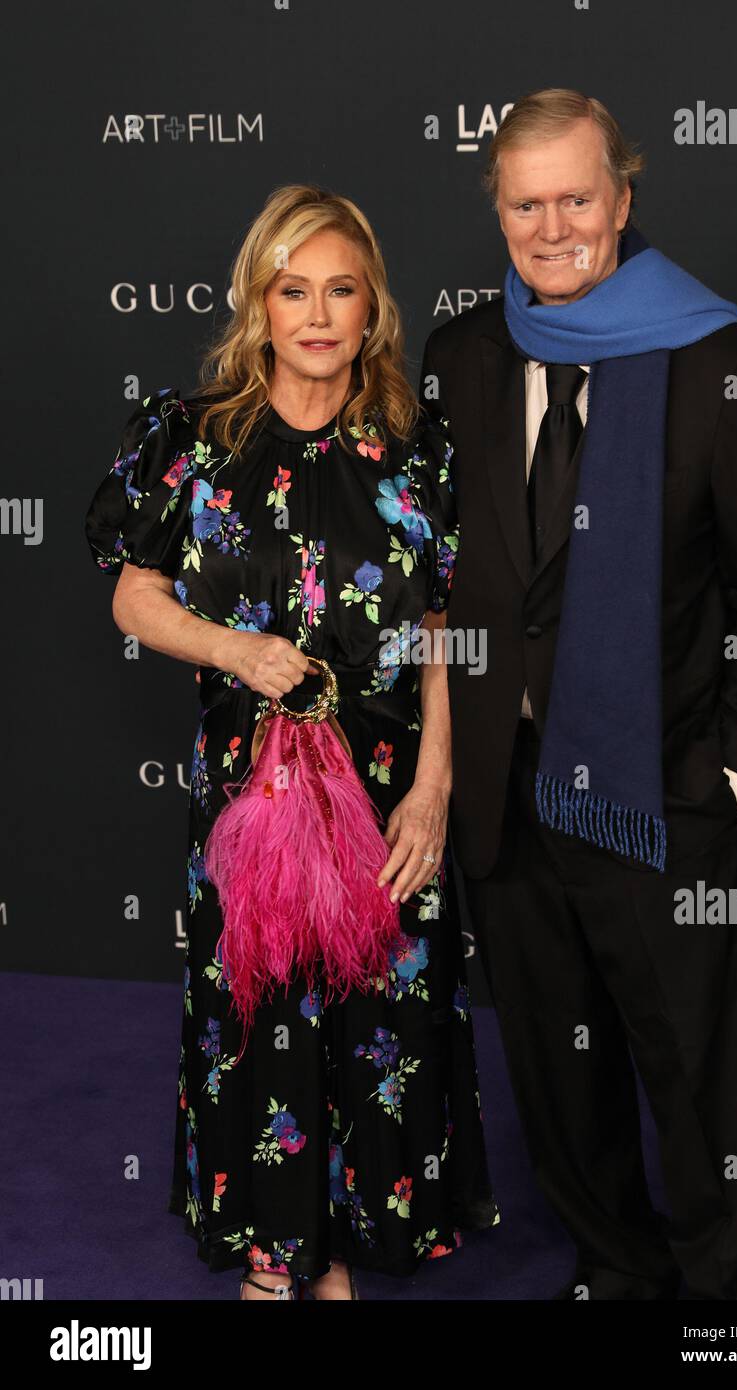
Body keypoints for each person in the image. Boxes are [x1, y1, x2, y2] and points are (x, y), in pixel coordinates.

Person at [420, 88, 737, 1300]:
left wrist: (731, 772)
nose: (552, 229)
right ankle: (615, 1268)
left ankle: (733, 1310)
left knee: (700, 1079)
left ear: (623, 198)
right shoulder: (462, 356)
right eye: (525, 203)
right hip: (507, 791)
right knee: (555, 1070)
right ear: (497, 211)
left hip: (659, 788)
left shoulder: (719, 365)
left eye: (575, 199)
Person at [85, 184, 499, 1301]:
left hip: (381, 786)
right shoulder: (190, 436)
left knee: (381, 1008)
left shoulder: (421, 452)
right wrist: (231, 650)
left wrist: (432, 788)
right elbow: (135, 596)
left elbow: (438, 632)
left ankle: (354, 1242)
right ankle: (277, 1252)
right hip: (249, 785)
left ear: (371, 309)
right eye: (292, 289)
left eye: (340, 290)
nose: (316, 314)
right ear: (258, 302)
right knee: (259, 1002)